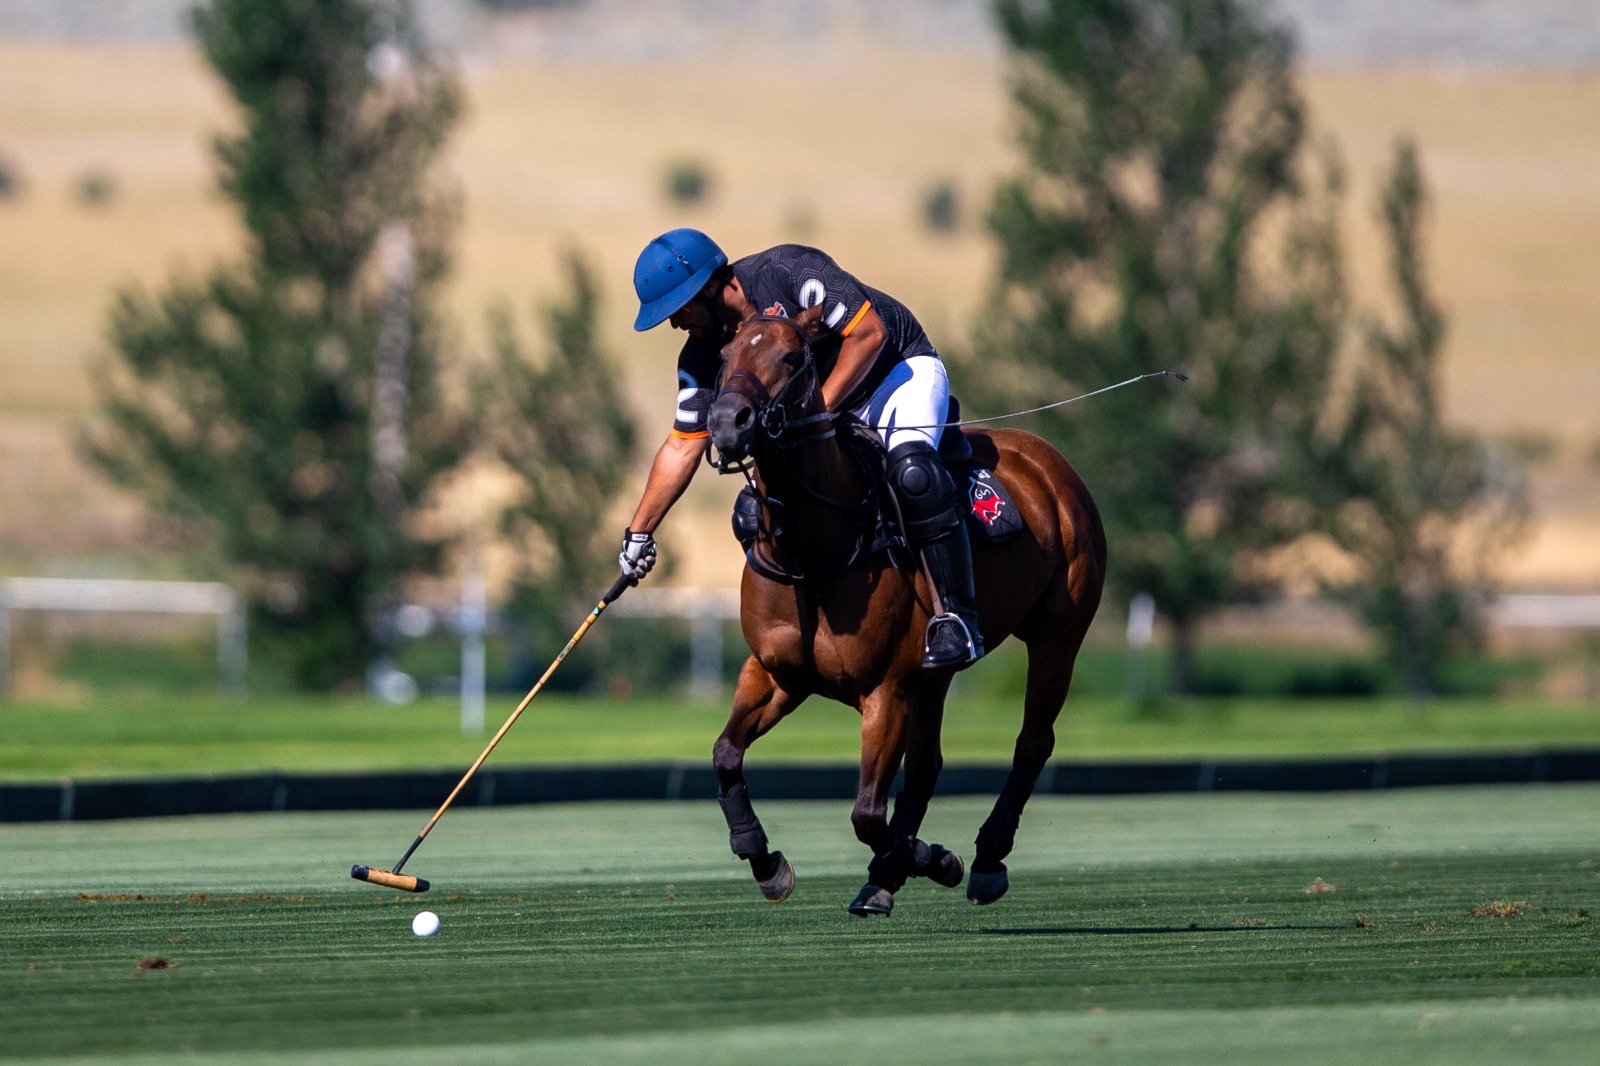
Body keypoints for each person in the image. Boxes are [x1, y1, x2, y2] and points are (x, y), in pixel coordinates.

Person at [617, 227, 984, 670]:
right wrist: (639, 532)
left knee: (913, 474)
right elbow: (681, 446)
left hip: (894, 372)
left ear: (711, 285)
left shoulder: (789, 273)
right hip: (820, 417)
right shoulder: (701, 356)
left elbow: (868, 333)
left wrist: (819, 413)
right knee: (752, 511)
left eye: (680, 309)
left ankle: (956, 619)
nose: (676, 322)